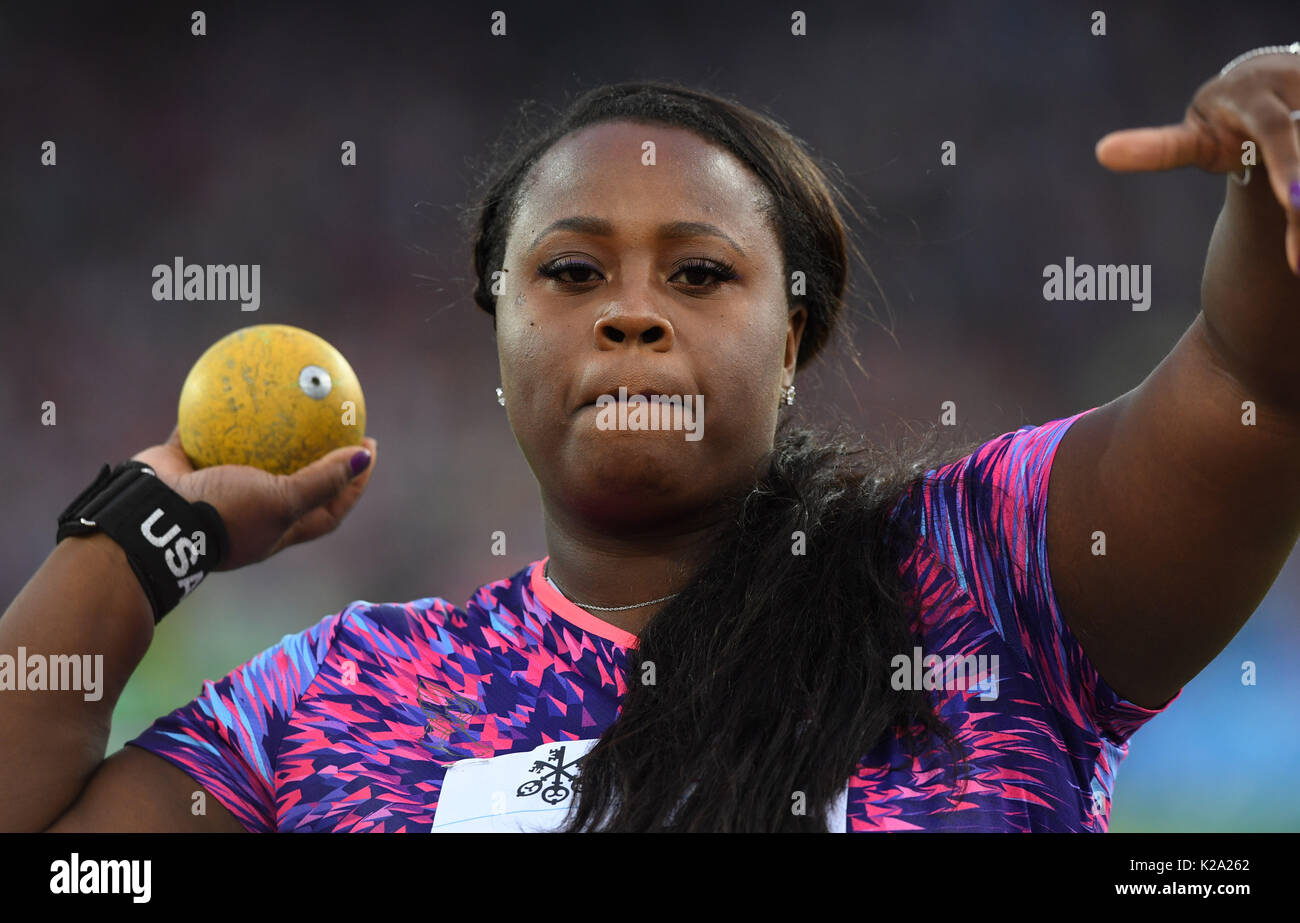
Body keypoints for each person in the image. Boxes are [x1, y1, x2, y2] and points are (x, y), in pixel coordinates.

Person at [6, 65, 1300, 832]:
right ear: (497, 335)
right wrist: (147, 524)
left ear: (793, 340)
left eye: (699, 272)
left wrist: (1279, 166)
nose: (631, 311)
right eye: (570, 273)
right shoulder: (335, 701)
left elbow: (1258, 377)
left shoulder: (991, 577)